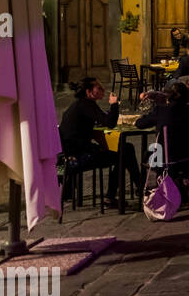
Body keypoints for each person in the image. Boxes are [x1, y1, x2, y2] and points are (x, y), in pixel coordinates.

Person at [59, 77, 142, 208]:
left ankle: (133, 189)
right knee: (125, 151)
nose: (103, 90)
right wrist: (114, 104)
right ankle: (126, 192)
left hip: (71, 153)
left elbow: (97, 119)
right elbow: (109, 123)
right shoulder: (86, 105)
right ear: (88, 92)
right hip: (79, 156)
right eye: (98, 88)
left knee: (125, 149)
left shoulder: (79, 104)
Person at [135, 81, 189, 175]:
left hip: (167, 160)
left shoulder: (161, 110)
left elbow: (140, 124)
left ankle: (158, 184)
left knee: (149, 153)